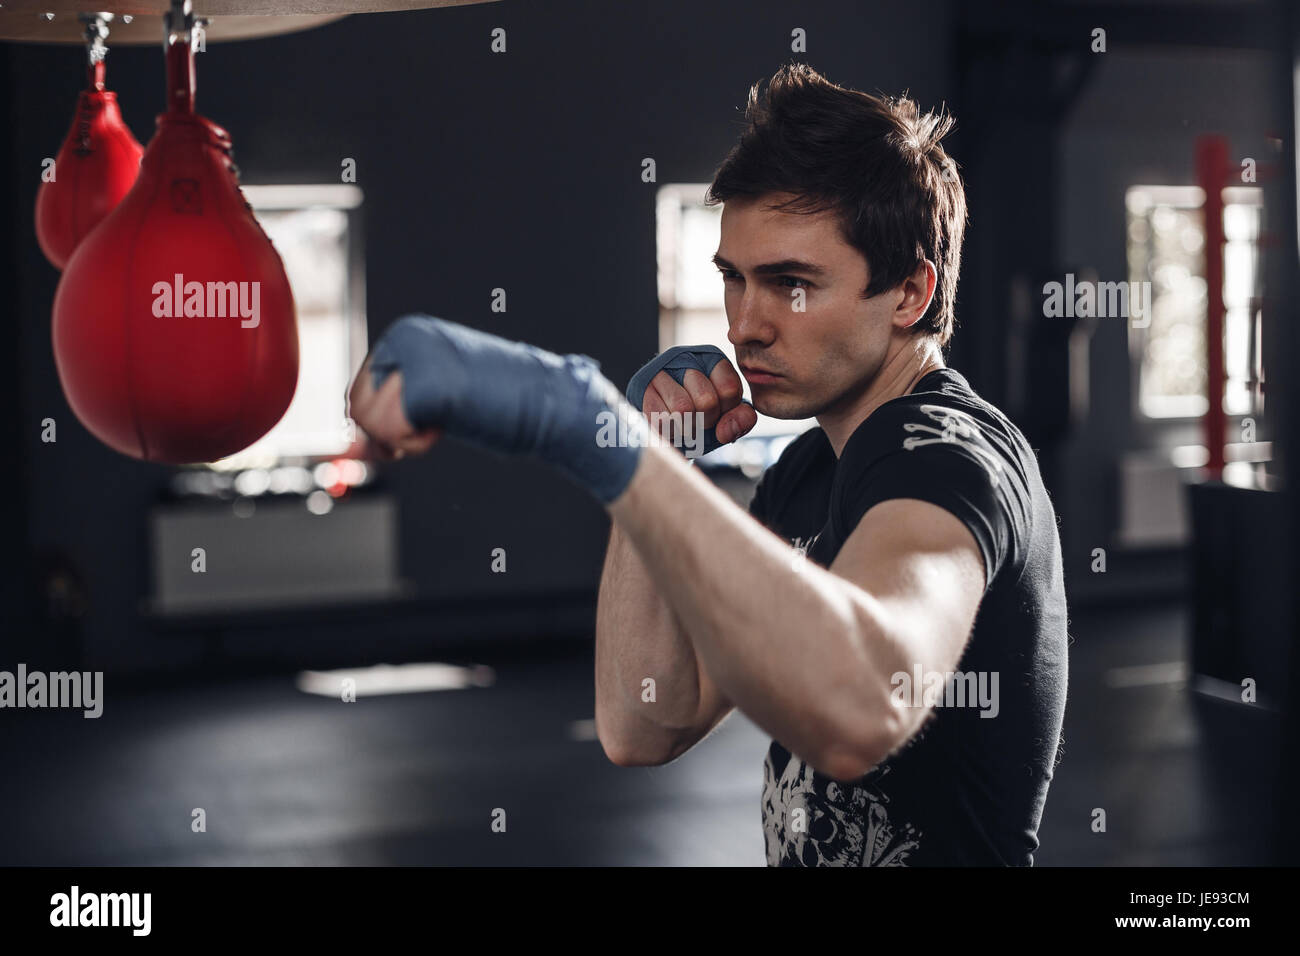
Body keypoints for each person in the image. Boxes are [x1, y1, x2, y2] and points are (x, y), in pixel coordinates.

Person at [347, 63, 1068, 867]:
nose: (747, 324)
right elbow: (644, 721)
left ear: (909, 292)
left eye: (791, 285)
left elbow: (867, 703)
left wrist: (582, 425)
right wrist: (649, 456)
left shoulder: (951, 458)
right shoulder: (806, 473)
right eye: (734, 278)